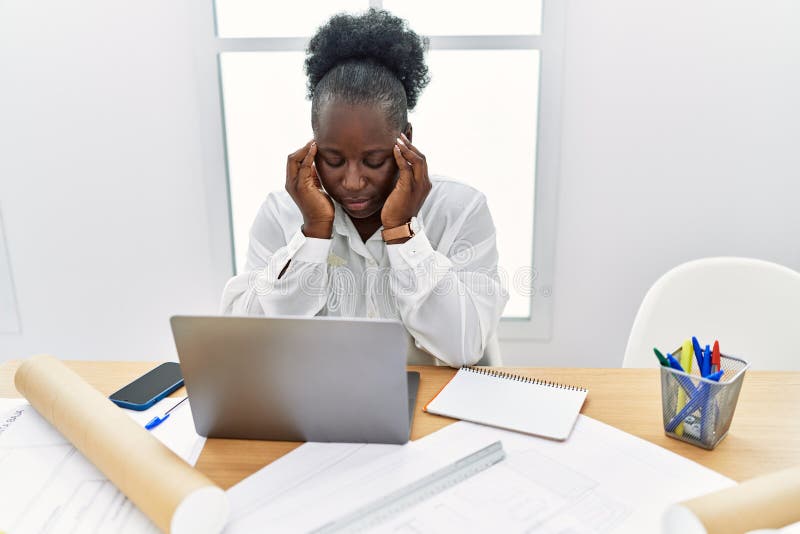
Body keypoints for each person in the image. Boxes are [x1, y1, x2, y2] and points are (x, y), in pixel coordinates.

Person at [220, 8, 508, 367]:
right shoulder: (282, 213)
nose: (353, 181)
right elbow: (250, 343)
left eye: (373, 160)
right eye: (334, 159)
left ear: (406, 142)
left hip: (430, 412)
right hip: (319, 409)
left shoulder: (460, 210)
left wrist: (402, 233)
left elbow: (463, 347)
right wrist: (313, 233)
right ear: (313, 148)